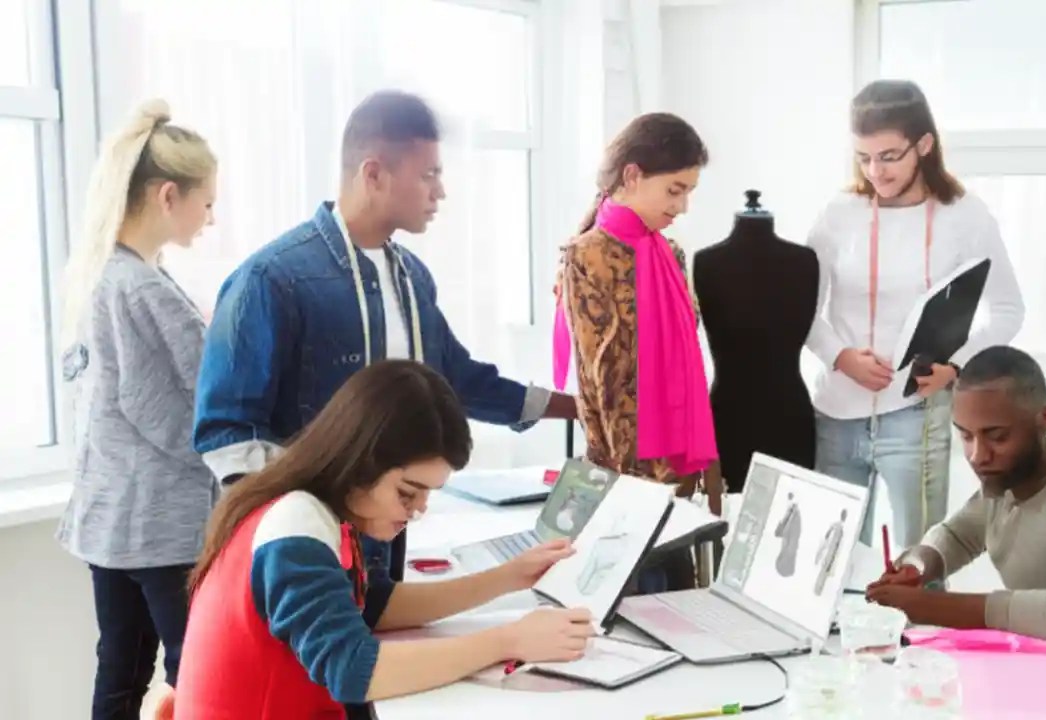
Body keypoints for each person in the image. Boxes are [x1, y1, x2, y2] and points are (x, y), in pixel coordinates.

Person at [194, 90, 577, 583]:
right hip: (310, 546)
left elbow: (455, 382)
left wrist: (575, 408)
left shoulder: (412, 277)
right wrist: (318, 502)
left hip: (389, 536)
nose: (440, 192)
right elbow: (225, 435)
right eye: (429, 175)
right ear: (373, 174)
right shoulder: (271, 280)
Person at [174, 361, 594, 718]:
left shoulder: (315, 514)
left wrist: (508, 577)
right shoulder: (294, 525)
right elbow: (353, 670)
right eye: (407, 493)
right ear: (360, 461)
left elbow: (372, 605)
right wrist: (509, 640)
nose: (418, 510)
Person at [805, 79, 1025, 551]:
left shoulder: (965, 215)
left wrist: (956, 368)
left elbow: (1008, 309)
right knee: (829, 565)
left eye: (888, 156)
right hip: (834, 413)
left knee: (919, 566)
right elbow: (800, 308)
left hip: (916, 416)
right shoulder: (839, 212)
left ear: (923, 144)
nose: (875, 171)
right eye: (863, 157)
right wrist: (840, 356)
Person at [54, 99, 218, 720]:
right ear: (168, 196)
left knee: (121, 673)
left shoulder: (104, 273)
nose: (211, 218)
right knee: (197, 675)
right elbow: (174, 410)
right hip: (161, 527)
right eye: (206, 203)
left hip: (112, 521)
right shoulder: (142, 287)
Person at [866, 346, 1046, 676]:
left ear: (1045, 419)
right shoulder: (1004, 481)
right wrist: (916, 567)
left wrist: (929, 606)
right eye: (966, 436)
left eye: (996, 437)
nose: (977, 455)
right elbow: (955, 537)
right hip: (1039, 677)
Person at [554, 112, 718, 592]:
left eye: (689, 192)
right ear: (632, 175)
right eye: (674, 190)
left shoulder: (671, 254)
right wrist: (631, 494)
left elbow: (687, 368)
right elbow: (598, 383)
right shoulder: (586, 256)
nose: (683, 205)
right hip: (621, 487)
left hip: (674, 479)